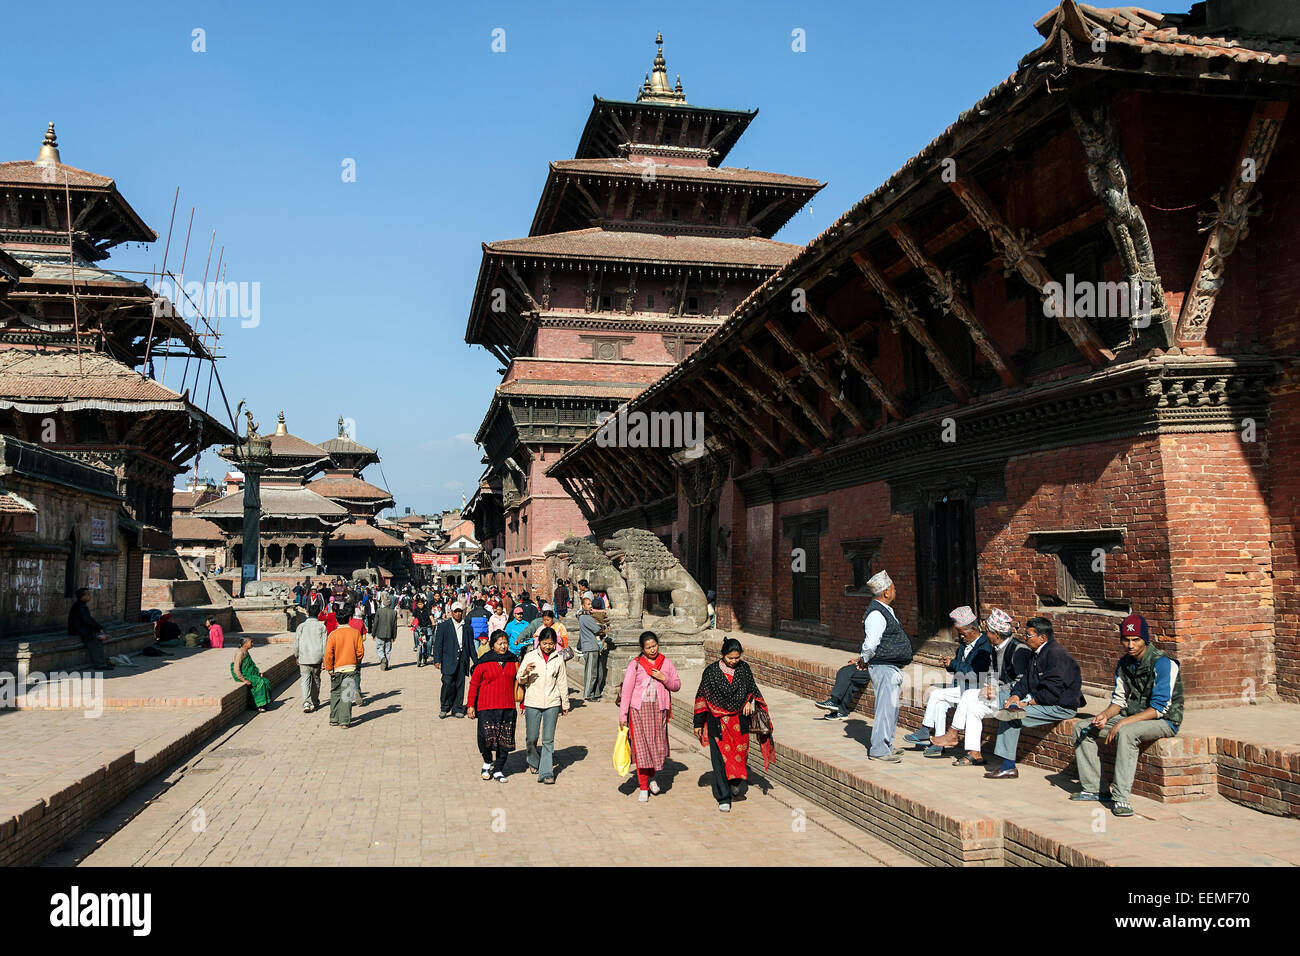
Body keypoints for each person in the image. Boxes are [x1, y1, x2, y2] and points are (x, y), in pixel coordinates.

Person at [1071, 613, 1183, 816]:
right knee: (1082, 728)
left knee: (1127, 733)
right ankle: (1096, 788)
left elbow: (1160, 708)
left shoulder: (1164, 664)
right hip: (1134, 715)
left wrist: (1122, 724)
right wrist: (1104, 715)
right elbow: (1119, 701)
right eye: (1126, 640)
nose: (1130, 645)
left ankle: (1121, 798)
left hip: (1164, 720)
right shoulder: (1124, 663)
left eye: (1135, 640)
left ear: (1145, 640)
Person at [986, 616, 1086, 780]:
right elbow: (1025, 680)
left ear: (1043, 637)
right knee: (1006, 700)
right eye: (1025, 635)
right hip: (1042, 700)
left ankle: (1008, 766)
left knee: (1013, 715)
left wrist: (1026, 702)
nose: (1025, 639)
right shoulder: (1036, 653)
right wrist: (1016, 696)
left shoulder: (1056, 655)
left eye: (1029, 635)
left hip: (1060, 706)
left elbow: (1053, 692)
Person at [932, 608, 1029, 765]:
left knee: (969, 695)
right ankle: (974, 753)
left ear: (996, 634)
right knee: (973, 707)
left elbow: (1022, 681)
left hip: (1013, 697)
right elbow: (991, 673)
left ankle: (953, 733)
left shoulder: (1019, 650)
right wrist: (989, 686)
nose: (985, 635)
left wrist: (997, 689)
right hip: (997, 694)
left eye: (988, 632)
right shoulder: (994, 648)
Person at [693, 638, 772, 812]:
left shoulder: (744, 669)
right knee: (720, 761)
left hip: (739, 723)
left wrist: (750, 701)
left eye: (737, 658)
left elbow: (752, 690)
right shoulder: (711, 673)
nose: (734, 661)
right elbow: (702, 698)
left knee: (740, 756)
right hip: (718, 723)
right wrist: (698, 723)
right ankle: (724, 797)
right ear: (722, 655)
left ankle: (735, 782)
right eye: (730, 658)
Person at [904, 606, 992, 756]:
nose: (961, 637)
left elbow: (975, 673)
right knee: (940, 704)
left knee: (936, 695)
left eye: (963, 634)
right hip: (960, 687)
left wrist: (954, 664)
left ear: (973, 630)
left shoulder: (984, 647)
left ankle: (925, 730)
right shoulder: (963, 646)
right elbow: (959, 668)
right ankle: (938, 744)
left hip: (975, 688)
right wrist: (949, 666)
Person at [619, 631, 682, 802]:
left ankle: (652, 777)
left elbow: (676, 685)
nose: (652, 650)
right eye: (648, 647)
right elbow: (627, 691)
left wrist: (664, 678)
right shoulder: (636, 665)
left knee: (655, 747)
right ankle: (644, 787)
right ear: (642, 648)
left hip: (659, 711)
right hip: (638, 711)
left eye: (654, 646)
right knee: (641, 749)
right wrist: (623, 715)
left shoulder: (666, 663)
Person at [516, 627, 570, 784]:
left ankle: (547, 772)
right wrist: (525, 671)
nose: (548, 647)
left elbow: (562, 682)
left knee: (548, 739)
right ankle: (533, 759)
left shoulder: (558, 658)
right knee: (531, 737)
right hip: (532, 702)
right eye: (545, 643)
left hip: (552, 702)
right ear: (539, 642)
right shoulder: (530, 656)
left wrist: (565, 703)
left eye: (551, 644)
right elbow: (520, 679)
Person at [466, 630, 519, 783]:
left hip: (507, 706)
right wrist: (471, 705)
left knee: (505, 739)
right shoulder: (484, 662)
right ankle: (488, 761)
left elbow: (520, 682)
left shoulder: (513, 661)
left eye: (505, 643)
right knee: (485, 738)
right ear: (492, 645)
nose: (503, 646)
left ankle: (499, 769)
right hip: (486, 707)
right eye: (499, 643)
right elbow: (474, 684)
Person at [432, 601, 476, 718]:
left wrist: (476, 662)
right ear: (451, 612)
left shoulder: (467, 627)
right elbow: (438, 645)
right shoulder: (443, 626)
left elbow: (471, 646)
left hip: (462, 659)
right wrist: (437, 660)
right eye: (455, 612)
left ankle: (457, 708)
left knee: (460, 684)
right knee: (447, 683)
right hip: (448, 659)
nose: (457, 614)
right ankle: (445, 707)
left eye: (459, 612)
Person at [323, 614, 365, 728]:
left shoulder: (333, 634)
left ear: (337, 620)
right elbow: (360, 651)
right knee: (346, 695)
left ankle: (334, 718)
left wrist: (329, 668)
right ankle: (345, 721)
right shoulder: (355, 633)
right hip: (350, 668)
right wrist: (356, 661)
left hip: (336, 668)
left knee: (335, 693)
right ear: (349, 620)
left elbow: (328, 654)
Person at [68, 588, 114, 670]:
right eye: (88, 595)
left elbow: (89, 619)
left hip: (82, 628)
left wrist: (98, 627)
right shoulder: (79, 606)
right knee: (94, 641)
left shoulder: (82, 605)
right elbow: (86, 620)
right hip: (78, 629)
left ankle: (103, 662)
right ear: (82, 597)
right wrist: (97, 628)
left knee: (98, 640)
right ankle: (99, 664)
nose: (90, 596)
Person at [294, 613, 327, 713]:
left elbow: (296, 643)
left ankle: (307, 703)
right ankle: (315, 700)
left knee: (305, 680)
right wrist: (324, 659)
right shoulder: (322, 626)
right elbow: (324, 644)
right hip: (317, 657)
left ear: (308, 614)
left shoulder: (301, 626)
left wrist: (296, 655)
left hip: (304, 657)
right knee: (316, 679)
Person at [577, 596, 609, 701]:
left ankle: (595, 693)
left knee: (598, 672)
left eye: (591, 604)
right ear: (583, 606)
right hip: (589, 647)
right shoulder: (585, 617)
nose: (590, 606)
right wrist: (603, 629)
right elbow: (597, 630)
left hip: (593, 647)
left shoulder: (585, 616)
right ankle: (588, 694)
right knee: (592, 673)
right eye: (588, 604)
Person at [231, 637, 272, 711]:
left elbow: (250, 666)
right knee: (260, 682)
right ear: (245, 644)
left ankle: (264, 703)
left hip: (249, 674)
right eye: (251, 642)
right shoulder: (240, 653)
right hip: (243, 675)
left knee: (266, 681)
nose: (252, 643)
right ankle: (258, 705)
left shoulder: (246, 651)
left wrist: (257, 673)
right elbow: (236, 669)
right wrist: (244, 680)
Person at [372, 592, 398, 670]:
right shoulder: (393, 612)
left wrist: (373, 634)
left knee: (379, 648)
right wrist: (394, 636)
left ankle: (382, 658)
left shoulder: (379, 611)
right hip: (389, 634)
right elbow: (394, 626)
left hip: (380, 633)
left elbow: (375, 623)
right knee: (388, 650)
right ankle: (386, 664)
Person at [413, 596, 433, 665]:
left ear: (424, 604)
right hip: (419, 627)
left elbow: (430, 616)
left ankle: (429, 654)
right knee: (415, 633)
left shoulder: (427, 609)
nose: (420, 605)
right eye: (419, 604)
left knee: (430, 640)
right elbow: (413, 617)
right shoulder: (416, 610)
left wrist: (433, 622)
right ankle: (416, 646)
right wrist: (410, 623)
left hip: (427, 626)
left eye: (421, 604)